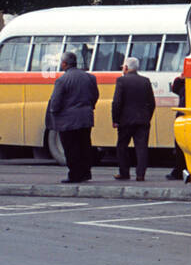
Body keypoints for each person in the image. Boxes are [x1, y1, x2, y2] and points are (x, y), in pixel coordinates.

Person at [45, 51, 99, 184]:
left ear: (64, 64)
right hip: (86, 117)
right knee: (84, 145)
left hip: (68, 120)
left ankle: (74, 174)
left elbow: (56, 101)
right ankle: (86, 173)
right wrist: (88, 107)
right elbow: (95, 95)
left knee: (71, 147)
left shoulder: (62, 80)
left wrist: (54, 112)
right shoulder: (90, 78)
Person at [111, 56, 156, 181]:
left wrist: (115, 119)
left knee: (122, 146)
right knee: (141, 147)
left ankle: (124, 172)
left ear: (126, 67)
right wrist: (147, 117)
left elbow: (117, 102)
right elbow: (151, 103)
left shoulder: (121, 81)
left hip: (125, 121)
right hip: (143, 120)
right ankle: (140, 174)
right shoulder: (145, 81)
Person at [167, 74, 187, 180]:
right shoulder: (184, 84)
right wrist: (180, 78)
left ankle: (178, 171)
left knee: (180, 146)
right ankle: (179, 170)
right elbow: (175, 88)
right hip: (183, 118)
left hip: (184, 118)